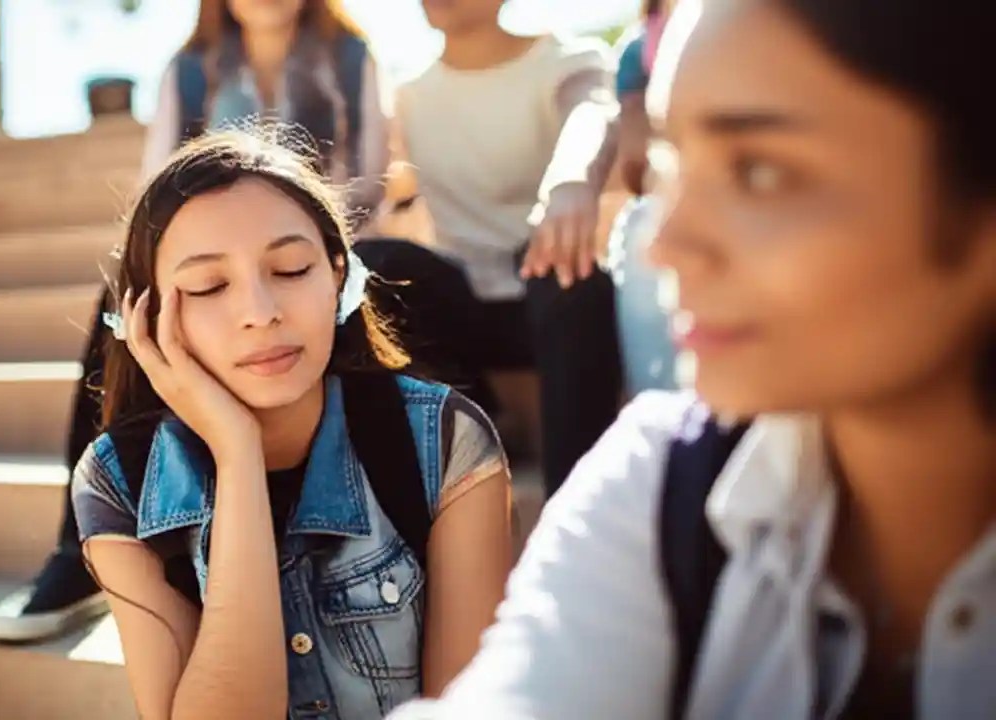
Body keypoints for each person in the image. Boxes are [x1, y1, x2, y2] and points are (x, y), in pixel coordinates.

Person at [390, 0, 996, 717]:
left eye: (760, 173)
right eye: (673, 162)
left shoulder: (561, 66)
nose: (663, 245)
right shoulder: (663, 484)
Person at [0, 0, 394, 642]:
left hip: (327, 242)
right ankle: (82, 547)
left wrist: (299, 252)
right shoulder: (191, 69)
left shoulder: (349, 54)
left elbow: (372, 176)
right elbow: (159, 191)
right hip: (214, 250)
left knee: (392, 267)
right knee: (123, 298)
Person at [71, 128, 512, 719]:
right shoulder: (118, 481)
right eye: (209, 286)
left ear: (338, 277)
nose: (260, 313)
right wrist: (236, 452)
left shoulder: (443, 442)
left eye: (291, 269)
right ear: (147, 318)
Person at [381, 0, 624, 494]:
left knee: (569, 277)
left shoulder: (567, 61)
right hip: (464, 308)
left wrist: (571, 184)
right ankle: (479, 435)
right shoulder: (407, 95)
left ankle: (576, 498)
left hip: (549, 291)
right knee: (379, 264)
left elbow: (591, 115)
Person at [607, 0, 679, 396]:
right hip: (668, 194)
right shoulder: (639, 50)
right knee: (643, 227)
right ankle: (663, 401)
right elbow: (636, 167)